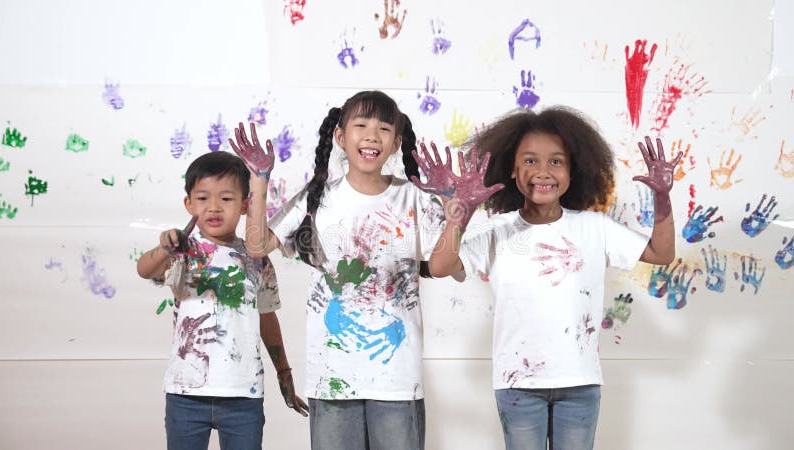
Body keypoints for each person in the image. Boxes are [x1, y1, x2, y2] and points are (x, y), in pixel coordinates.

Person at [419, 106, 681, 450]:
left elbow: (661, 254)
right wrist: (460, 216)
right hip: (517, 385)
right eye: (530, 161)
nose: (543, 171)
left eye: (556, 161)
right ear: (512, 169)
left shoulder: (593, 227)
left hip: (580, 384)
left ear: (574, 170)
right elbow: (439, 266)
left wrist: (662, 198)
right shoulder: (498, 231)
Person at [229, 90, 446, 450]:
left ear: (396, 143)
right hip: (332, 377)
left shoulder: (415, 197)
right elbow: (257, 246)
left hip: (395, 377)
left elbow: (442, 263)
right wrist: (259, 179)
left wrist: (456, 208)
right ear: (341, 137)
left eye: (384, 128)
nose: (372, 135)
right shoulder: (318, 197)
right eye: (361, 125)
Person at [136, 151, 307, 450]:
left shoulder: (257, 259)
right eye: (203, 198)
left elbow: (267, 317)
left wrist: (284, 371)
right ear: (189, 204)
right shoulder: (183, 252)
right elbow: (144, 269)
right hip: (185, 395)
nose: (214, 207)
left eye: (226, 199)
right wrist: (165, 248)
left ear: (245, 205)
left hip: (243, 395)